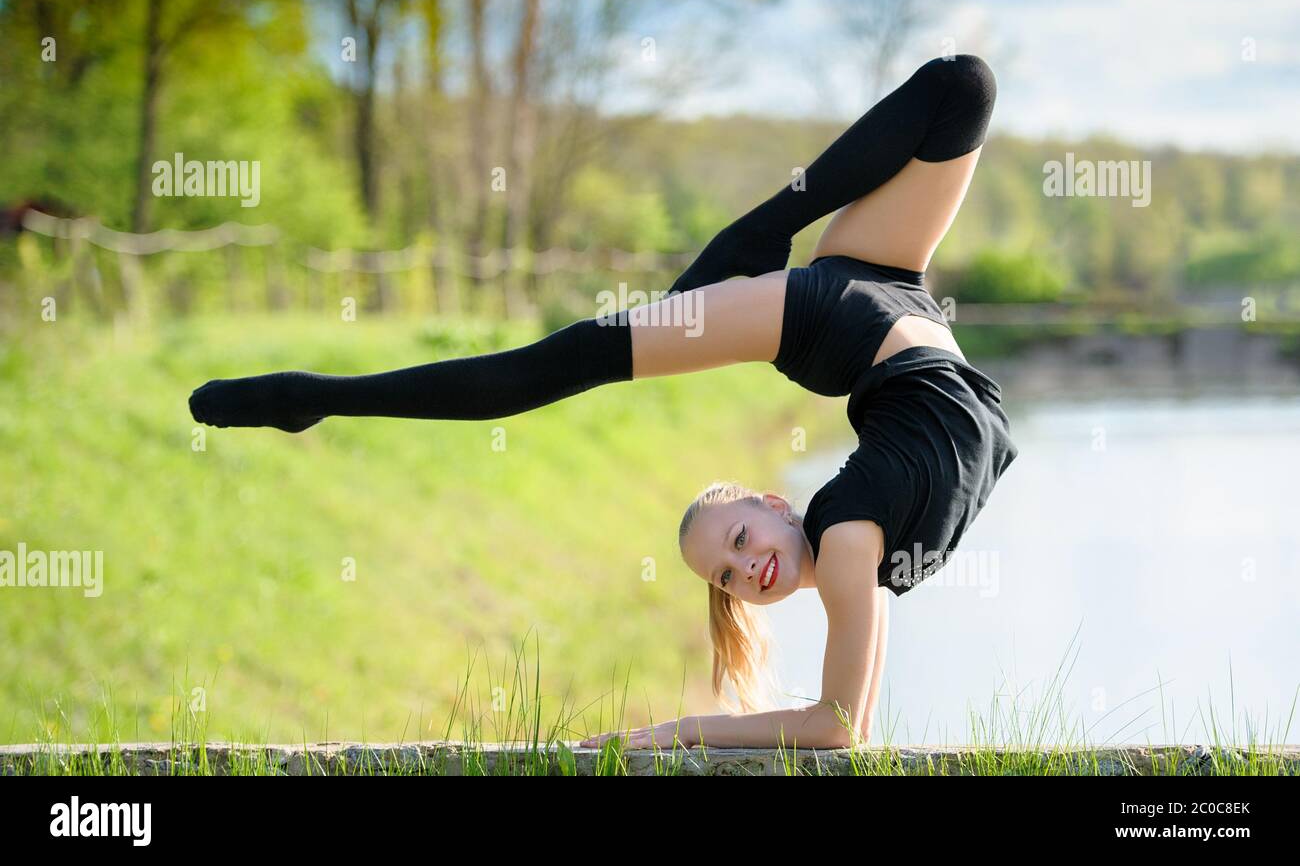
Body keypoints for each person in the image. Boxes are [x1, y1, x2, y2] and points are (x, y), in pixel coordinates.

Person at [189, 53, 1017, 751]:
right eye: (730, 576)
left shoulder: (843, 542)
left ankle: (318, 397)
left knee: (559, 364)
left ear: (771, 503)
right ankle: (733, 261)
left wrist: (681, 730)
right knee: (963, 90)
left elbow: (834, 730)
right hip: (889, 300)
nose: (747, 570)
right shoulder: (852, 563)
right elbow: (849, 728)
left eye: (736, 542)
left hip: (832, 318)